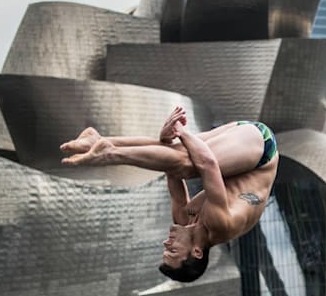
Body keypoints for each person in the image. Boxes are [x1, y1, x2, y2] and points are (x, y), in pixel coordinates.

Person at [60, 108, 278, 282]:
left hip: (238, 147)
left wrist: (165, 139)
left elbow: (171, 170)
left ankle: (98, 140)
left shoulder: (183, 219)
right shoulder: (222, 225)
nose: (166, 242)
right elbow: (208, 164)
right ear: (197, 252)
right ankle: (110, 153)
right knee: (188, 165)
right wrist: (181, 132)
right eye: (172, 250)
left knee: (180, 156)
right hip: (260, 150)